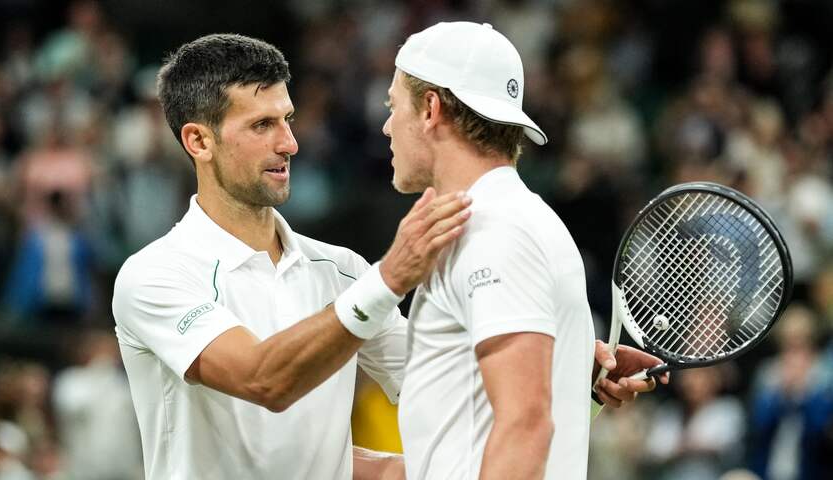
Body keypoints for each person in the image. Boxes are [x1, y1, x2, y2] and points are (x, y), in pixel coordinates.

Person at [112, 33, 662, 480]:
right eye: (262, 126)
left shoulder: (343, 272)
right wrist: (389, 278)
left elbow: (462, 401)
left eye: (288, 119)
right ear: (198, 142)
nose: (289, 144)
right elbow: (264, 380)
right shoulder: (155, 276)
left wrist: (569, 377)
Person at [381, 22, 666, 479]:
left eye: (393, 106)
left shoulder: (495, 233)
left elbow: (526, 428)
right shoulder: (514, 221)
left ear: (431, 108)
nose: (386, 125)